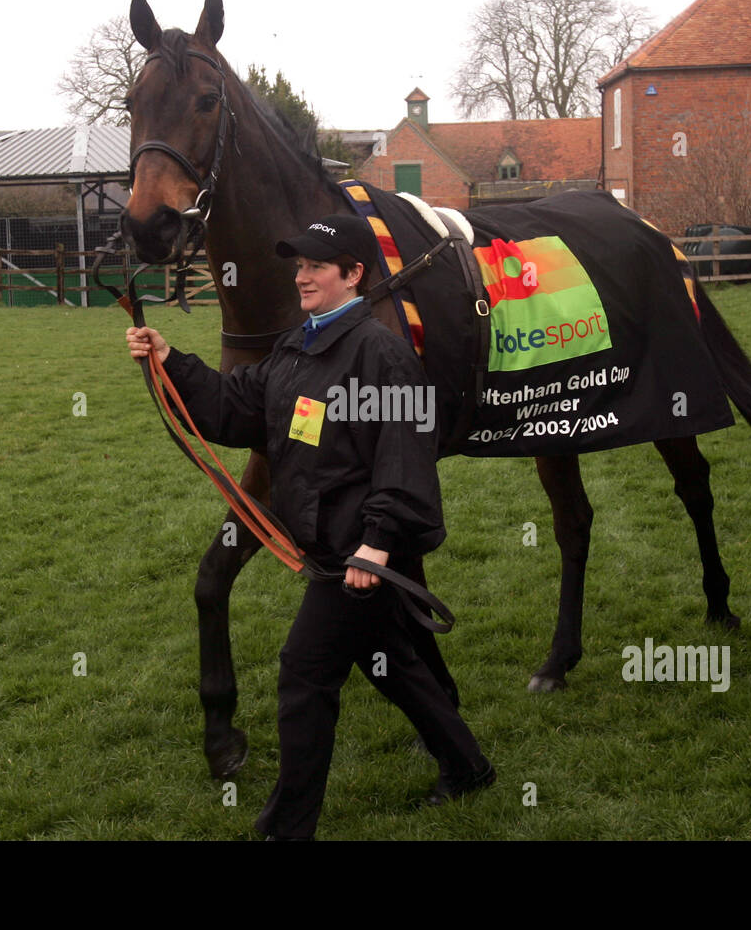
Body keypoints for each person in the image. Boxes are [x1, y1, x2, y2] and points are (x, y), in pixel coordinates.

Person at [126, 213, 494, 840]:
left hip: (361, 550)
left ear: (354, 274)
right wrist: (170, 360)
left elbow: (404, 457)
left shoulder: (379, 350)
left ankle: (286, 828)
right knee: (387, 662)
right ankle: (468, 767)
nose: (302, 276)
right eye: (298, 266)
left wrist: (376, 544)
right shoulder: (298, 347)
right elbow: (237, 409)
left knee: (303, 672)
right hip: (333, 547)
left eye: (316, 266)